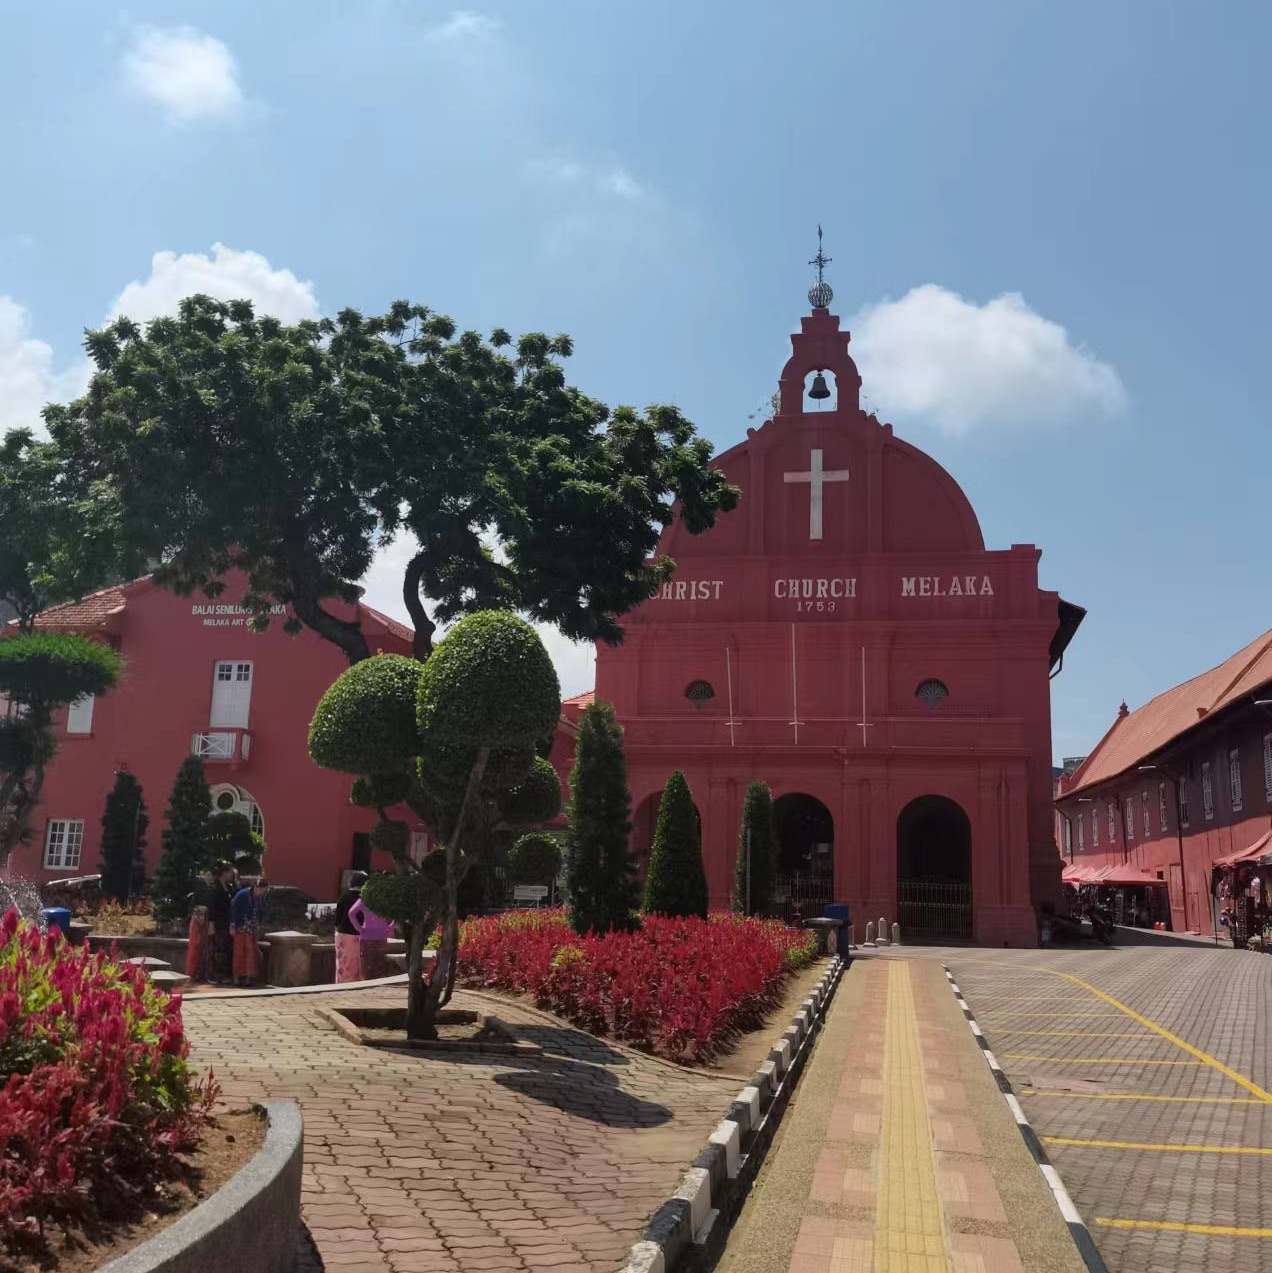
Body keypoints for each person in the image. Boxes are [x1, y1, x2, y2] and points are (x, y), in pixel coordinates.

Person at [230, 877, 268, 986]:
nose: (260, 891)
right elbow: (234, 909)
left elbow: (258, 912)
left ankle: (248, 976)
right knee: (239, 952)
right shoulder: (242, 894)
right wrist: (232, 925)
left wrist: (259, 926)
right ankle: (237, 976)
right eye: (259, 889)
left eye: (263, 890)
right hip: (241, 927)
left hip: (251, 928)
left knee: (250, 952)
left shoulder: (258, 898)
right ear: (255, 886)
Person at [349, 892, 395, 980]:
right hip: (382, 935)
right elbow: (398, 913)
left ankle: (367, 984)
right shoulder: (387, 899)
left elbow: (351, 913)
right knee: (380, 964)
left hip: (366, 935)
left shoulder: (365, 899)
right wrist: (391, 927)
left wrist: (358, 928)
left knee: (366, 964)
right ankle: (378, 984)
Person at [333, 871, 368, 983]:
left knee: (342, 962)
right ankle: (353, 985)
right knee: (356, 963)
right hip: (357, 935)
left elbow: (337, 918)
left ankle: (341, 983)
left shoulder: (343, 897)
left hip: (342, 934)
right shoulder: (365, 899)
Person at [206, 861, 237, 985]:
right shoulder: (215, 887)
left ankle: (224, 974)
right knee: (218, 949)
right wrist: (211, 924)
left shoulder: (229, 888)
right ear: (224, 873)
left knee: (226, 949)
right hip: (218, 923)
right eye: (230, 873)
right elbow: (212, 906)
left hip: (227, 922)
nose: (232, 875)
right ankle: (215, 975)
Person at [185, 902, 210, 981]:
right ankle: (193, 974)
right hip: (196, 941)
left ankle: (197, 975)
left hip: (199, 940)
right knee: (194, 957)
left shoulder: (195, 918)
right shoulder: (195, 919)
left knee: (199, 957)